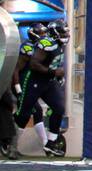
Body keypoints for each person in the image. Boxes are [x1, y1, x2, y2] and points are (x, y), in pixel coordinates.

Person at [14, 19, 69, 158]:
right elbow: (34, 64)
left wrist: (58, 76)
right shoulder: (46, 44)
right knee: (23, 115)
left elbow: (54, 64)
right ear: (55, 33)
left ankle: (50, 143)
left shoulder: (60, 45)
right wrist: (54, 73)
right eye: (62, 31)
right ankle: (10, 143)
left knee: (59, 108)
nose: (65, 34)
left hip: (48, 82)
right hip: (34, 81)